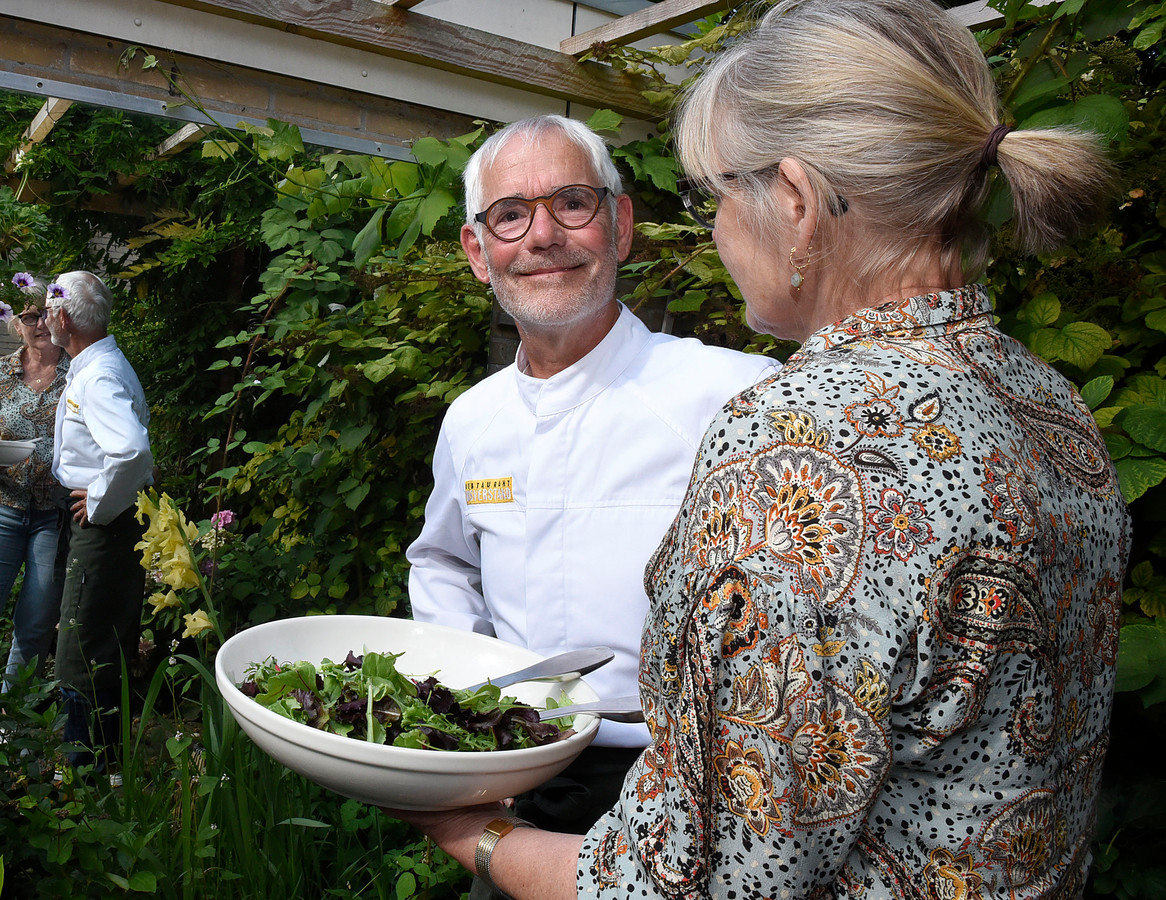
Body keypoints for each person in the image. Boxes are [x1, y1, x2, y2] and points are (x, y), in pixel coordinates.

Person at [390, 2, 1131, 898]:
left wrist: (467, 832)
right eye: (511, 216)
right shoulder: (1049, 399)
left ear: (796, 204)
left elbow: (698, 881)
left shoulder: (788, 442)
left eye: (714, 198)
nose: (713, 229)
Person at [404, 112, 779, 877]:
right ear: (477, 252)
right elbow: (443, 562)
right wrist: (468, 709)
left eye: (572, 203)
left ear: (620, 225)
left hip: (690, 795)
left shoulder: (734, 397)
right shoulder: (471, 420)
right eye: (511, 215)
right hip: (509, 776)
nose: (542, 236)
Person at [46, 270, 153, 777]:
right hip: (108, 523)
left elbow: (130, 451)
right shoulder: (98, 365)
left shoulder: (99, 376)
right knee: (103, 642)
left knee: (82, 647)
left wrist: (99, 502)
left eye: (50, 308)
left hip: (103, 528)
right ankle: (107, 769)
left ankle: (81, 778)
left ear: (64, 319)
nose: (46, 317)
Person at [0, 287, 69, 684]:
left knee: (36, 627)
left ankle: (15, 716)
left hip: (54, 517)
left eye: (46, 314)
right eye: (30, 317)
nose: (40, 323)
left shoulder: (80, 374)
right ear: (16, 326)